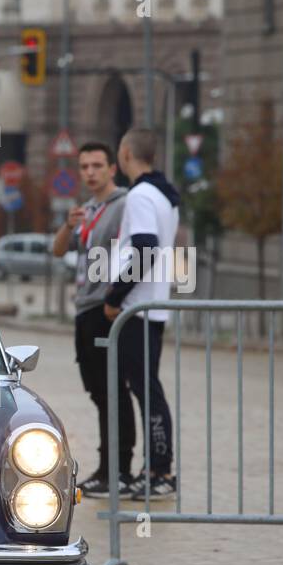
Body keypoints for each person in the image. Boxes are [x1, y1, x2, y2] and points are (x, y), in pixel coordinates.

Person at [51, 142, 135, 498]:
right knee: (99, 392)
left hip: (106, 308)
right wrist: (67, 227)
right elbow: (57, 251)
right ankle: (106, 469)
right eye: (84, 166)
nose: (90, 172)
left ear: (112, 169)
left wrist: (116, 296)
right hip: (84, 307)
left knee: (114, 391)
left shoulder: (124, 205)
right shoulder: (86, 209)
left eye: (97, 165)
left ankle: (119, 469)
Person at [105, 128, 179, 500]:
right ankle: (156, 468)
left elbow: (146, 248)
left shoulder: (140, 195)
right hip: (152, 306)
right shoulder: (164, 196)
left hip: (137, 308)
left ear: (126, 152)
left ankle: (159, 470)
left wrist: (117, 294)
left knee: (146, 390)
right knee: (148, 389)